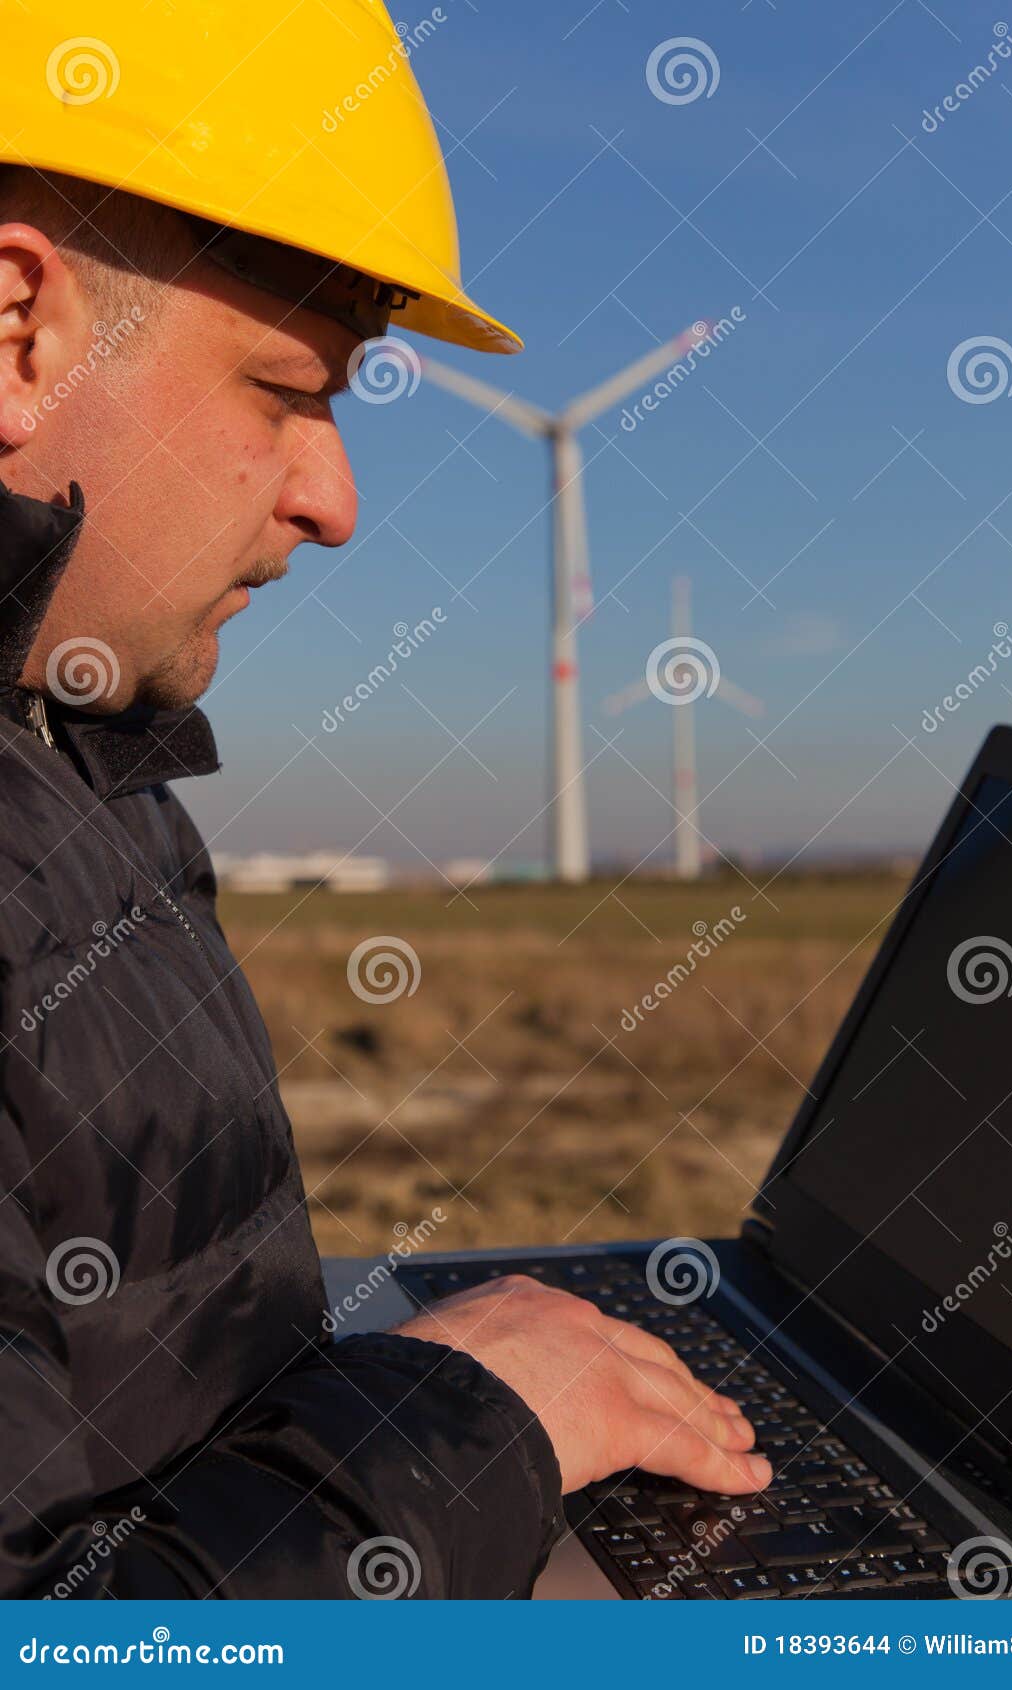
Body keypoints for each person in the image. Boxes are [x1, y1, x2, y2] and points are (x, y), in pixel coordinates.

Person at [0, 0, 770, 1599]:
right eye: (289, 390)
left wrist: (446, 1390)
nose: (334, 502)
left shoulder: (76, 745)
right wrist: (464, 1420)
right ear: (19, 327)